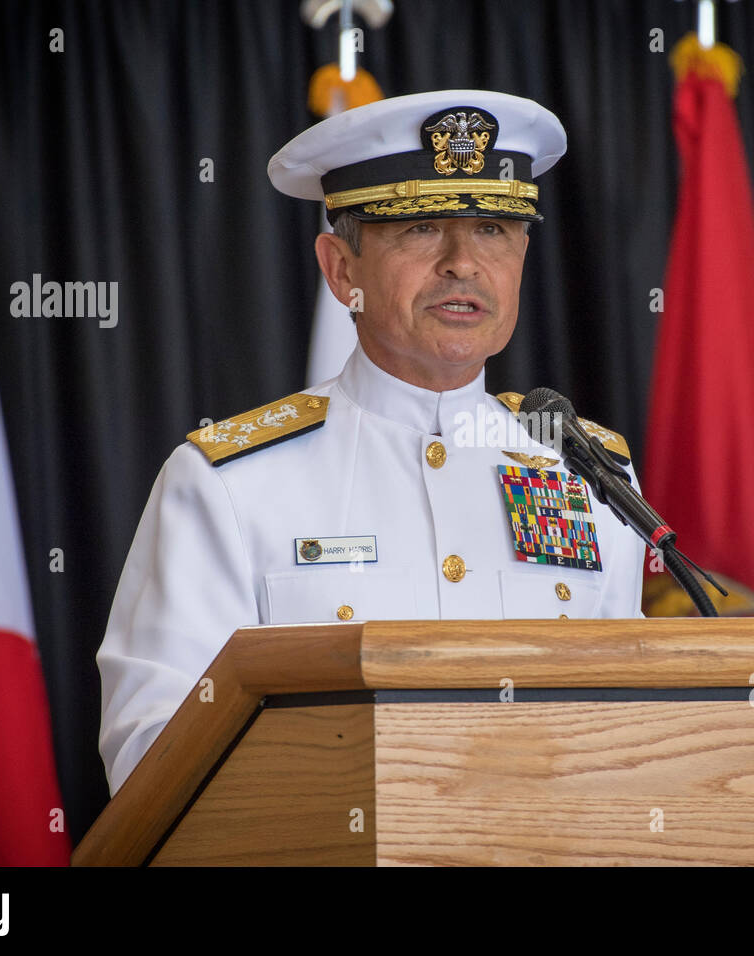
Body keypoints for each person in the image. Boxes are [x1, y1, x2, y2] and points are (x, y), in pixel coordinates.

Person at [96, 90, 647, 796]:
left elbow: (635, 725)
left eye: (492, 230)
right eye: (419, 228)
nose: (462, 262)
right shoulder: (228, 485)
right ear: (341, 269)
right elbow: (154, 755)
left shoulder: (589, 473)